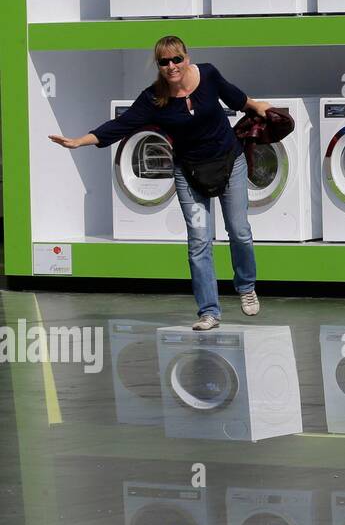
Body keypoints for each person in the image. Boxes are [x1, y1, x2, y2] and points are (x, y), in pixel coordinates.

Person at [49, 36, 274, 331]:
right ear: (158, 65)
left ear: (187, 57)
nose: (171, 66)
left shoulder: (207, 74)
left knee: (240, 231)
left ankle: (246, 287)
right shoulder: (154, 98)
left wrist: (258, 107)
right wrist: (81, 141)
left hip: (229, 162)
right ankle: (209, 312)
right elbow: (121, 125)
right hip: (189, 172)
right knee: (198, 242)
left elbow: (236, 98)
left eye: (176, 59)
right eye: (164, 62)